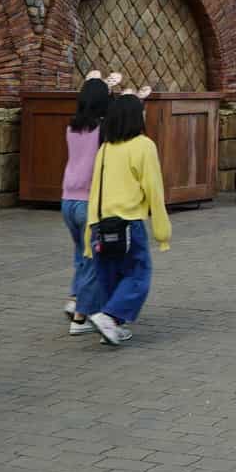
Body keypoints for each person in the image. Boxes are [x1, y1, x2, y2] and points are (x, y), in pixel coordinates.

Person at [80, 92, 169, 346]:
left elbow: (94, 191)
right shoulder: (144, 146)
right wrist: (162, 232)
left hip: (100, 224)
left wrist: (88, 236)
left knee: (110, 278)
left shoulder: (105, 148)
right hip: (128, 223)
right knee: (138, 275)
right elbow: (154, 189)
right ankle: (109, 317)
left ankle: (111, 327)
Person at [62, 72, 112, 333]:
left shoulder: (71, 127)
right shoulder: (102, 129)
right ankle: (80, 317)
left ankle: (74, 298)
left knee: (81, 254)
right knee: (92, 259)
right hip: (89, 202)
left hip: (67, 199)